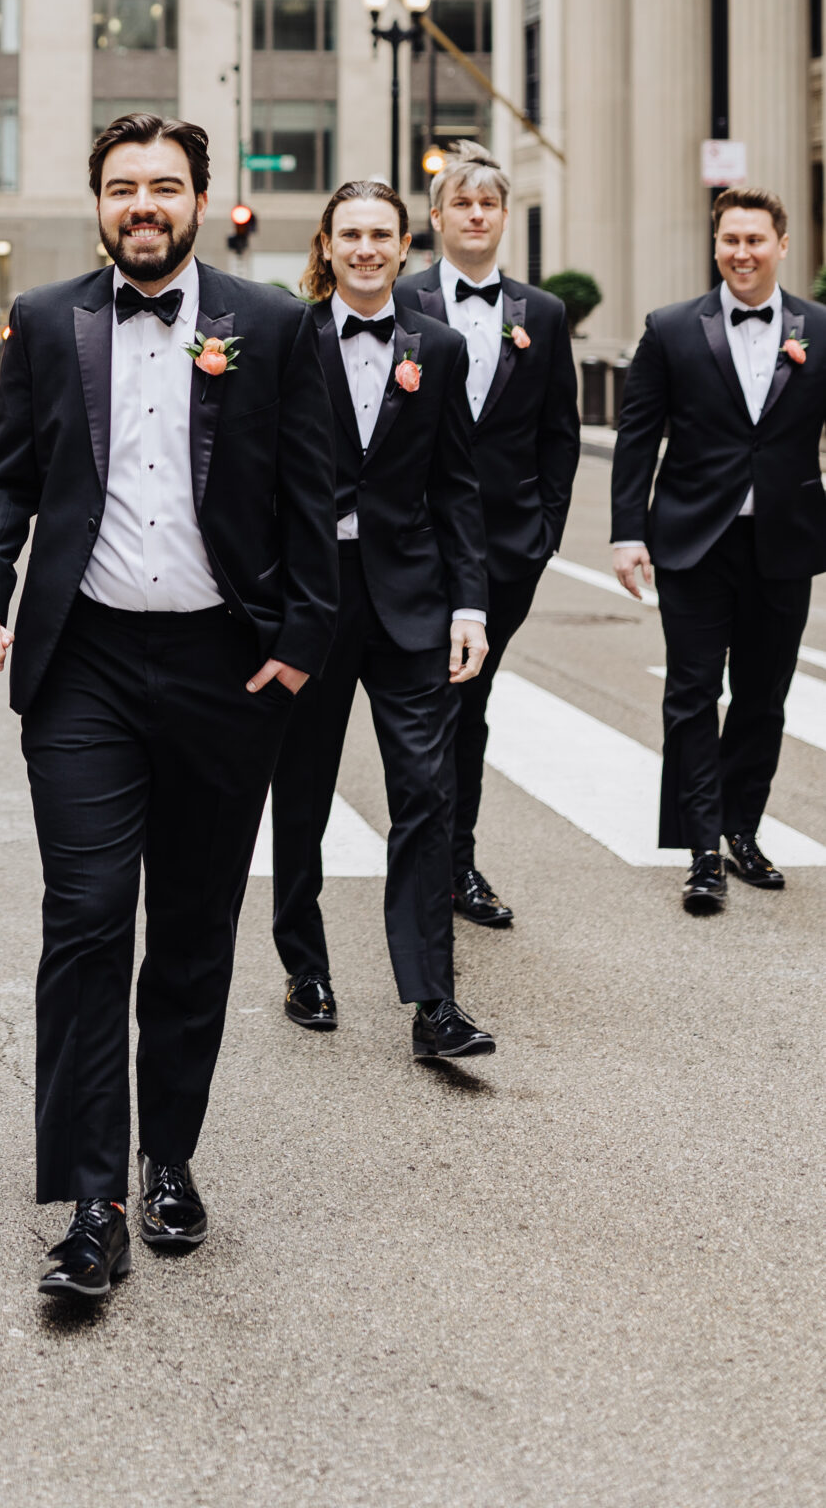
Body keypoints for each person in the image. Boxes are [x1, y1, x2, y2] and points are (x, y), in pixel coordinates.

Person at [0, 114, 339, 1302]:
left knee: (193, 931)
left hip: (230, 670)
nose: (144, 204)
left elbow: (315, 489)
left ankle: (167, 1157)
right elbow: (7, 477)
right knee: (86, 919)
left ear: (204, 200)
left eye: (164, 186)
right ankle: (90, 1201)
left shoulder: (272, 324)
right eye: (123, 187)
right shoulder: (47, 321)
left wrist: (304, 642)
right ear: (99, 202)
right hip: (88, 669)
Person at [270, 180, 495, 1063]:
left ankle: (432, 1002)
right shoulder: (285, 337)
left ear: (404, 247)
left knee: (426, 795)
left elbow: (456, 484)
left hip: (411, 599)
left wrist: (468, 602)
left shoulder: (434, 349)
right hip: (311, 600)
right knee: (300, 790)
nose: (365, 249)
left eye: (380, 235)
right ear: (325, 246)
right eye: (349, 234)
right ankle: (303, 965)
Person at [610, 186, 826, 914]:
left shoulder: (819, 330)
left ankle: (741, 829)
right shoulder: (670, 328)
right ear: (715, 245)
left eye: (754, 241)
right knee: (692, 694)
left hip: (785, 541)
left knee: (763, 698)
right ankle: (700, 850)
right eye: (729, 240)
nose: (741, 253)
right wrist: (626, 531)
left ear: (781, 246)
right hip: (691, 542)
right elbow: (636, 433)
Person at [394, 145, 579, 927]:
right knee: (422, 708)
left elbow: (558, 434)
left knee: (471, 706)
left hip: (506, 549)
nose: (476, 215)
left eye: (489, 205)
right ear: (435, 218)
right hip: (409, 545)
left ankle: (457, 863)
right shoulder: (398, 302)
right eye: (461, 204)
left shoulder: (540, 314)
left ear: (503, 218)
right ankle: (425, 865)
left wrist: (541, 535)